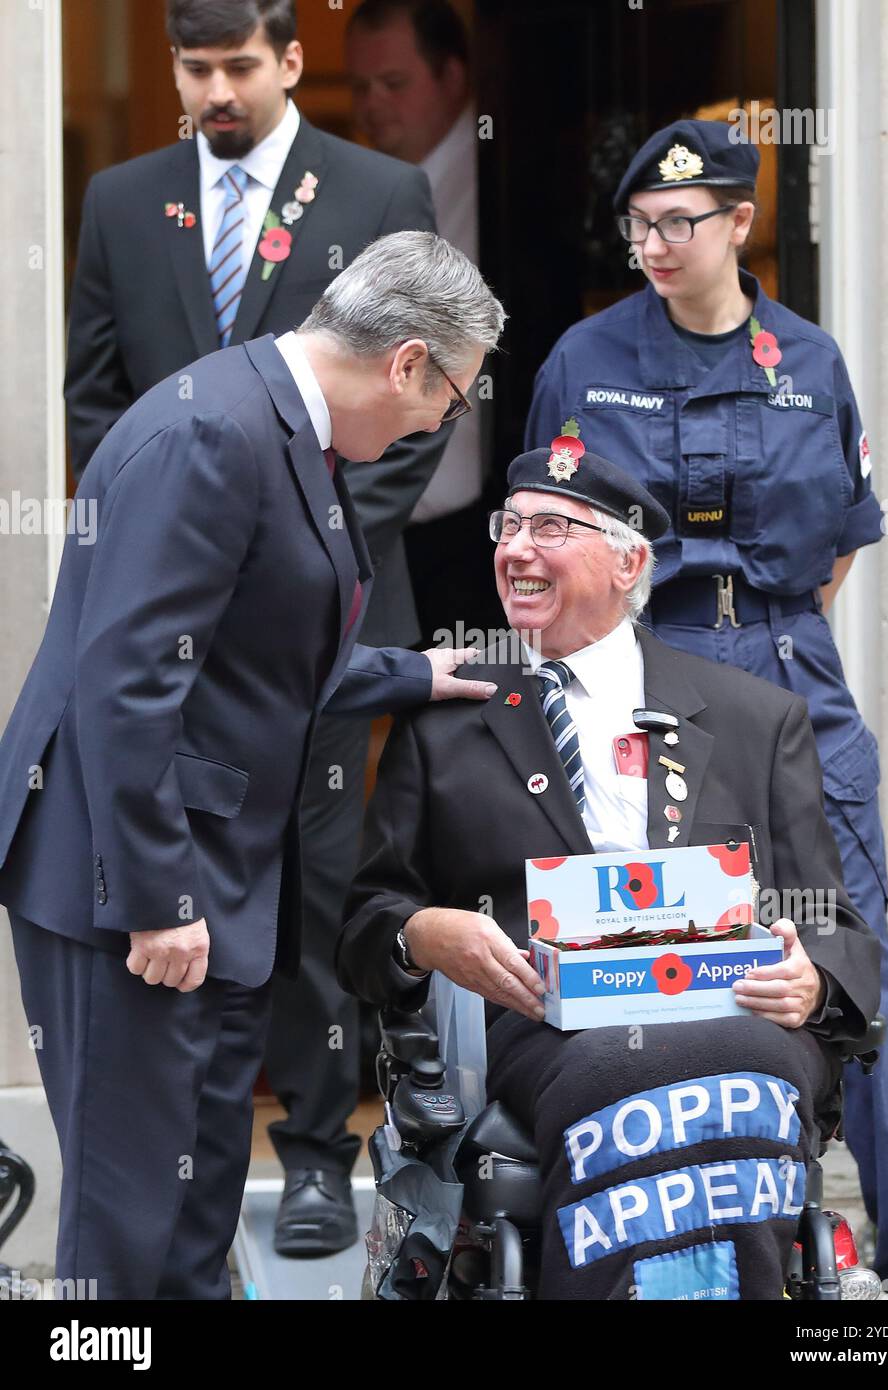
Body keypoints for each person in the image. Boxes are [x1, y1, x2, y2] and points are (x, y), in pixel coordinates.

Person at [0, 231, 505, 1300]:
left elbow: (251, 652)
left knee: (194, 1208)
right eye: (450, 400)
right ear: (408, 362)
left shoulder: (273, 421)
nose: (437, 425)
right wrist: (157, 898)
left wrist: (411, 676)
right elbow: (127, 680)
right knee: (127, 1226)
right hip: (132, 889)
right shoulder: (215, 435)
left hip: (208, 884)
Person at [524, 118, 888, 1296]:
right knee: (662, 937)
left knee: (850, 944)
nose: (658, 245)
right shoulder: (584, 358)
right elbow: (548, 534)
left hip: (784, 658)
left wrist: (760, 640)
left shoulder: (809, 361)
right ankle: (679, 1225)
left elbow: (838, 552)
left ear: (740, 223)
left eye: (681, 223)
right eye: (641, 227)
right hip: (647, 662)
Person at [64, 0, 454, 1258]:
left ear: (293, 61)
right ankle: (154, 1244)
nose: (217, 88)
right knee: (179, 908)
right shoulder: (126, 203)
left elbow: (396, 426)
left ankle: (318, 1148)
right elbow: (99, 407)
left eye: (242, 64)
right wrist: (180, 544)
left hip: (324, 610)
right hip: (177, 613)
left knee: (313, 882)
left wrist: (300, 547)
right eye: (196, 66)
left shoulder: (381, 186)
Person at [337, 441, 881, 1300]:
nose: (516, 549)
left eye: (550, 528)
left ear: (628, 560)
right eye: (507, 526)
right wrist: (423, 932)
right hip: (542, 1026)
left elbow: (839, 930)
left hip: (737, 1009)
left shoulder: (754, 717)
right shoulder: (446, 718)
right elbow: (366, 927)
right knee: (624, 1069)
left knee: (733, 1061)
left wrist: (812, 980)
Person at [347, 0, 500, 645]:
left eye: (395, 83)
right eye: (361, 86)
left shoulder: (498, 175)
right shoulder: (367, 187)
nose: (374, 103)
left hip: (474, 520)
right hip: (382, 517)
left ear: (452, 78)